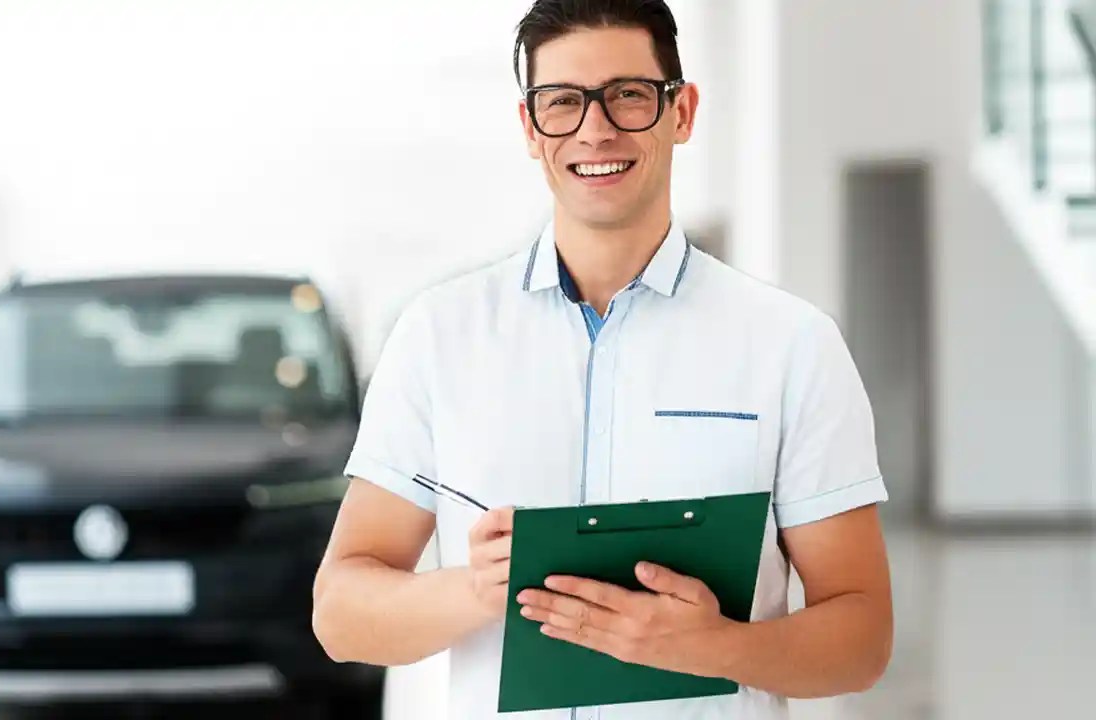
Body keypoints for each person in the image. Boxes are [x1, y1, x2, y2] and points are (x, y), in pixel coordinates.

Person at [312, 1, 893, 717]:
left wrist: (710, 644)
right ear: (530, 127)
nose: (596, 129)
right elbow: (340, 612)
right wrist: (473, 587)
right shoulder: (439, 336)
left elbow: (861, 636)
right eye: (563, 102)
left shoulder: (792, 345)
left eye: (628, 96)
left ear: (682, 112)